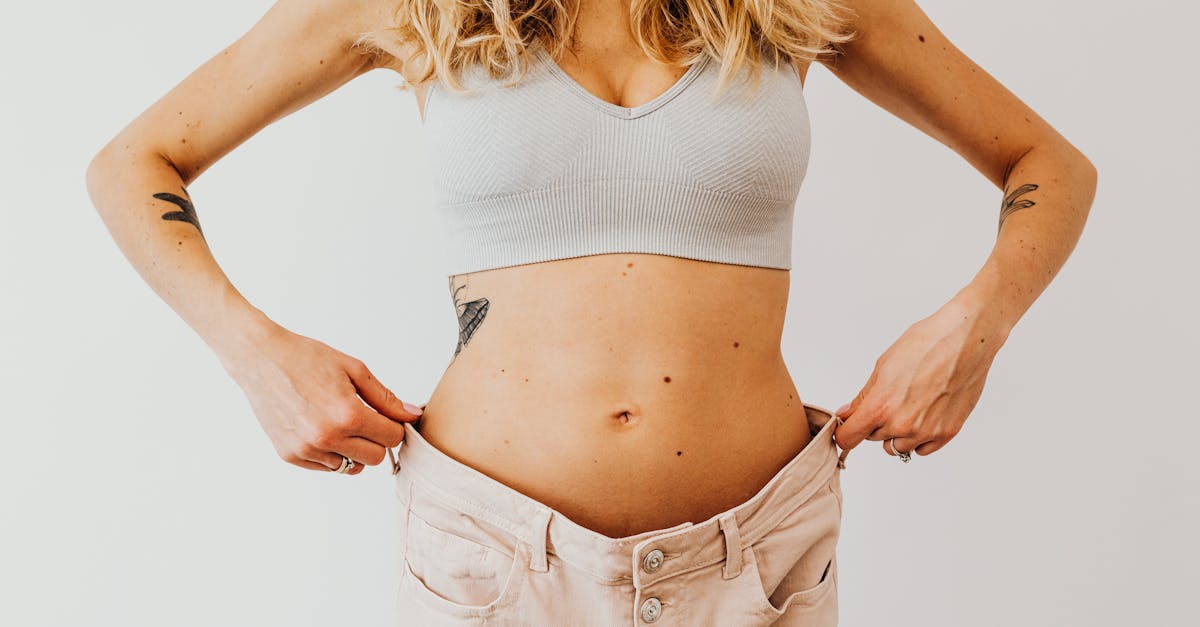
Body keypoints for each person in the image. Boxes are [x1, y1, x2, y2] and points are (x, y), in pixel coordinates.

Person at [84, 0, 1097, 624]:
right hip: (487, 562)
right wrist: (257, 355)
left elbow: (1048, 161)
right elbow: (135, 163)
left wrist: (976, 326)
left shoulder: (795, 0)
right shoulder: (414, 2)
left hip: (758, 564)